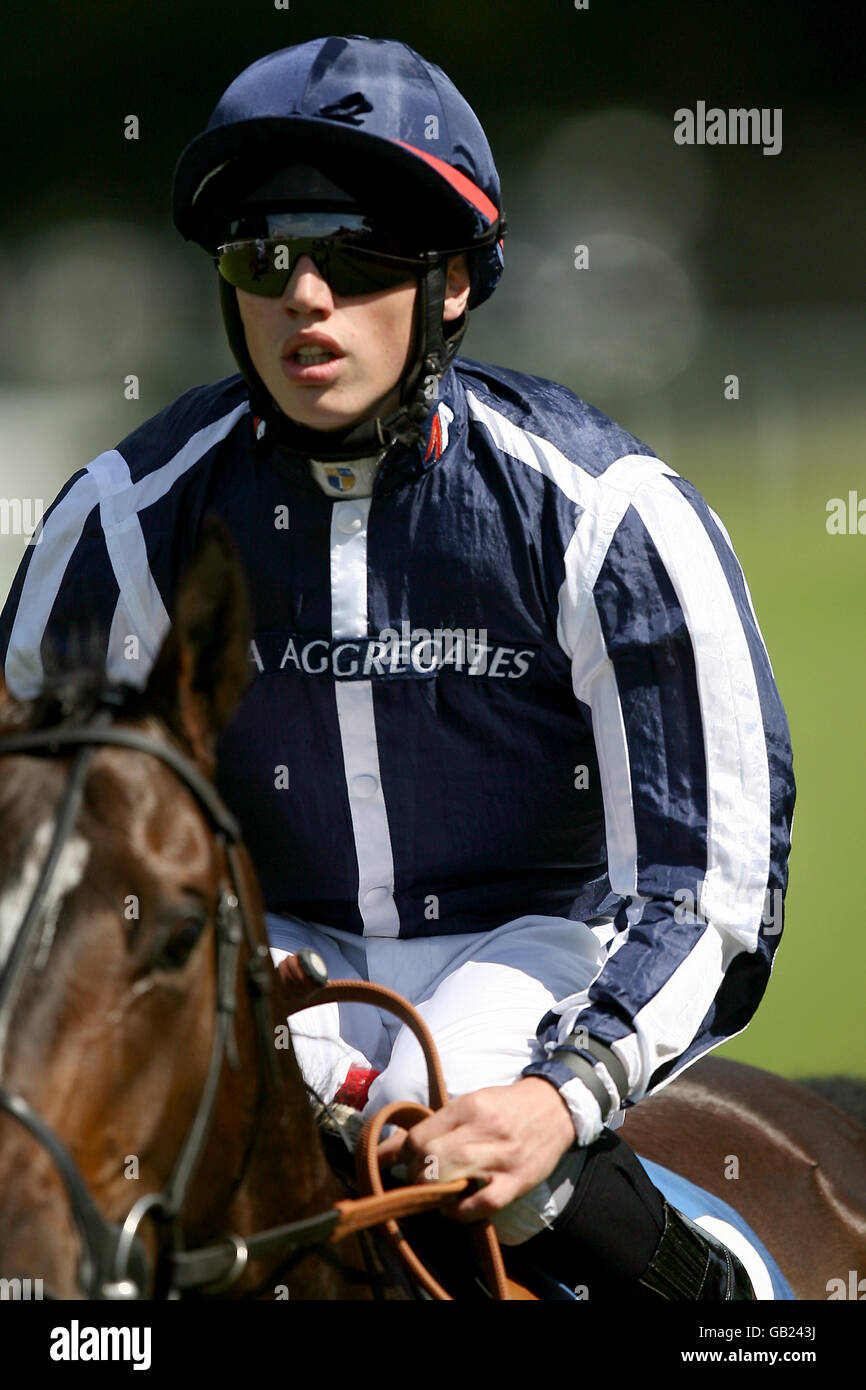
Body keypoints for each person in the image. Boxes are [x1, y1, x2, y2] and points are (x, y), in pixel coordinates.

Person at [0, 35, 795, 1300]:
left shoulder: (605, 514)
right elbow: (30, 838)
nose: (305, 297)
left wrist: (558, 1093)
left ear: (451, 284)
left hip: (533, 947)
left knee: (482, 1150)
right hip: (259, 968)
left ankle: (733, 1307)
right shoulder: (116, 520)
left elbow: (712, 883)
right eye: (265, 257)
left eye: (357, 255)